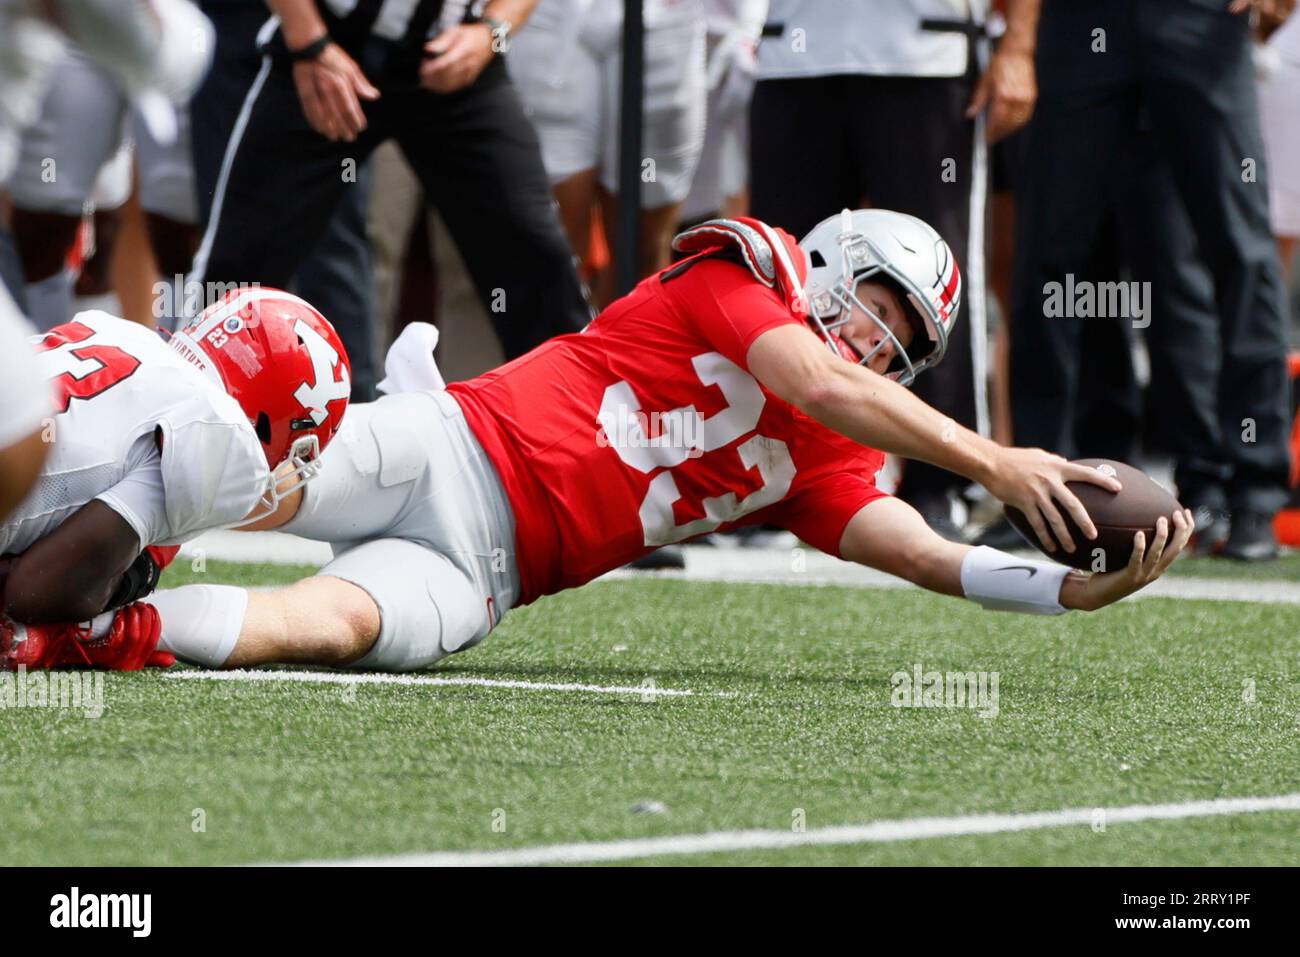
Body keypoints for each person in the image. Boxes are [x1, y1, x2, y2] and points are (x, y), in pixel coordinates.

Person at [113, 210, 1188, 675]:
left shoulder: (828, 460)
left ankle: (97, 636)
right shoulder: (741, 269)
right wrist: (999, 461)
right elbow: (809, 373)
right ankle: (62, 491)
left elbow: (918, 553)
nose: (871, 343)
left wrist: (1058, 594)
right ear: (823, 264)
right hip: (452, 441)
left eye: (900, 342)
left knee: (332, 628)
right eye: (874, 304)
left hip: (487, 572)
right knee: (236, 479)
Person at [1010, 0, 1293, 561]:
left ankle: (1251, 494)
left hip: (1200, 17)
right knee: (1050, 255)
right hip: (1080, 24)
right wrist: (1019, 40)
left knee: (1241, 252)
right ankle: (1036, 489)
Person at [749, 0, 1040, 541]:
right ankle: (769, 473)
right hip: (794, 48)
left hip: (926, 49)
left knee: (935, 278)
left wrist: (1018, 45)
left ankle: (940, 483)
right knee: (783, 270)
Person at [191, 0, 591, 359]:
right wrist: (307, 40)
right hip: (332, 46)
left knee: (537, 255)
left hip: (453, 52)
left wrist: (492, 31)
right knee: (238, 263)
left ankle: (579, 421)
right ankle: (184, 409)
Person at [0, 289, 351, 670]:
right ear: (266, 422)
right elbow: (33, 592)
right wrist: (125, 589)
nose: (284, 467)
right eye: (294, 452)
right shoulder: (217, 434)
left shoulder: (118, 333)